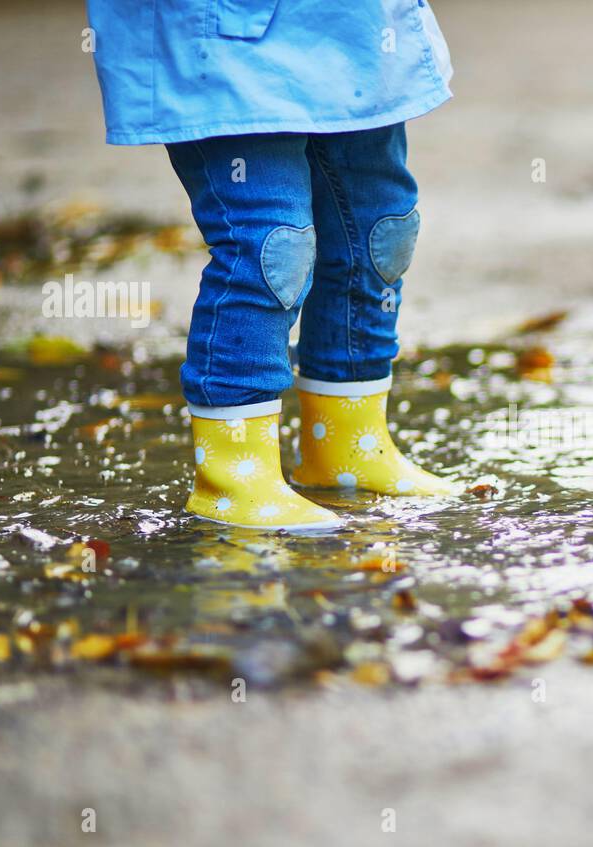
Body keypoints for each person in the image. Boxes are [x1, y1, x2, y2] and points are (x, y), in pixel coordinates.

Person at [86, 0, 458, 530]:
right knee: (271, 247)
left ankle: (346, 446)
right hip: (229, 41)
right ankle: (234, 477)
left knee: (380, 228)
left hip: (356, 28)